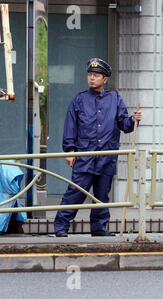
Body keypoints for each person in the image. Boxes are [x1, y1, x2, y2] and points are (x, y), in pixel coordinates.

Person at [54, 58, 142, 237]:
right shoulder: (79, 100)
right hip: (85, 155)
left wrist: (133, 120)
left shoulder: (115, 98)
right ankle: (61, 226)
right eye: (90, 75)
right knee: (76, 192)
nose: (91, 78)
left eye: (96, 75)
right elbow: (70, 127)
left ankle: (99, 227)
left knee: (102, 194)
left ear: (105, 79)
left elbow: (124, 124)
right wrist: (70, 151)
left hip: (107, 155)